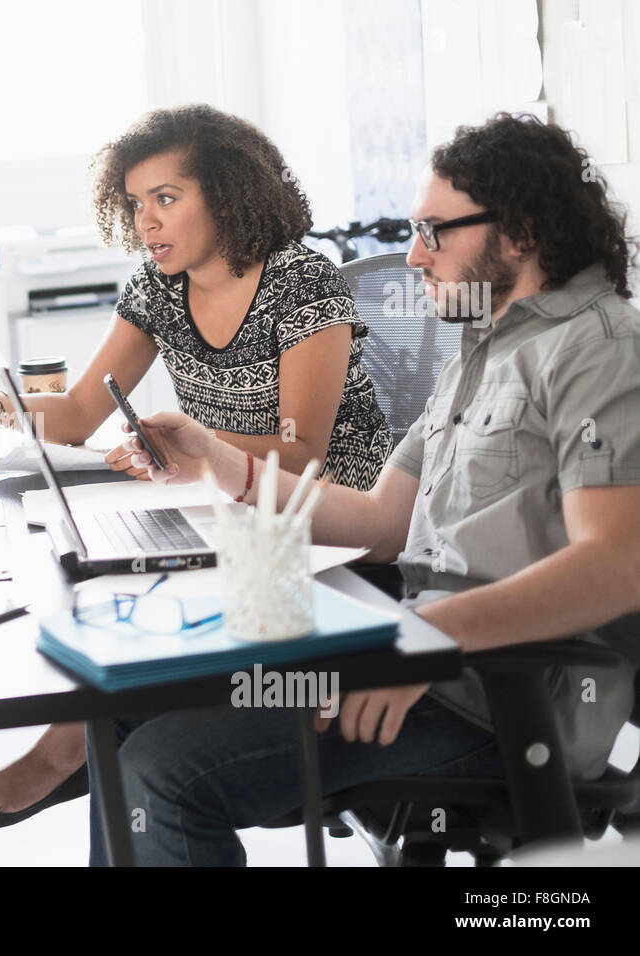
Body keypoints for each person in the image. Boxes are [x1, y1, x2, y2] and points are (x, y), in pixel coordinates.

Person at [112, 113, 640, 865]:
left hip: (496, 700)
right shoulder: (485, 347)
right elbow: (384, 521)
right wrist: (217, 462)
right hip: (420, 658)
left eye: (434, 231)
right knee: (134, 712)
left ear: (520, 232)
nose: (414, 255)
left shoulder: (600, 351)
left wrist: (423, 646)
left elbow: (616, 564)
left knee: (164, 770)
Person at [0, 104, 392, 827]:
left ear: (230, 195)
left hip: (325, 519)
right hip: (219, 505)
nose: (147, 222)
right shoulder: (157, 287)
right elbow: (78, 412)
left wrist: (193, 447)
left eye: (166, 199)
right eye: (137, 204)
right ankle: (84, 735)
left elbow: (304, 454)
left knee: (144, 590)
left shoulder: (303, 282)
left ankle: (78, 742)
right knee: (101, 568)